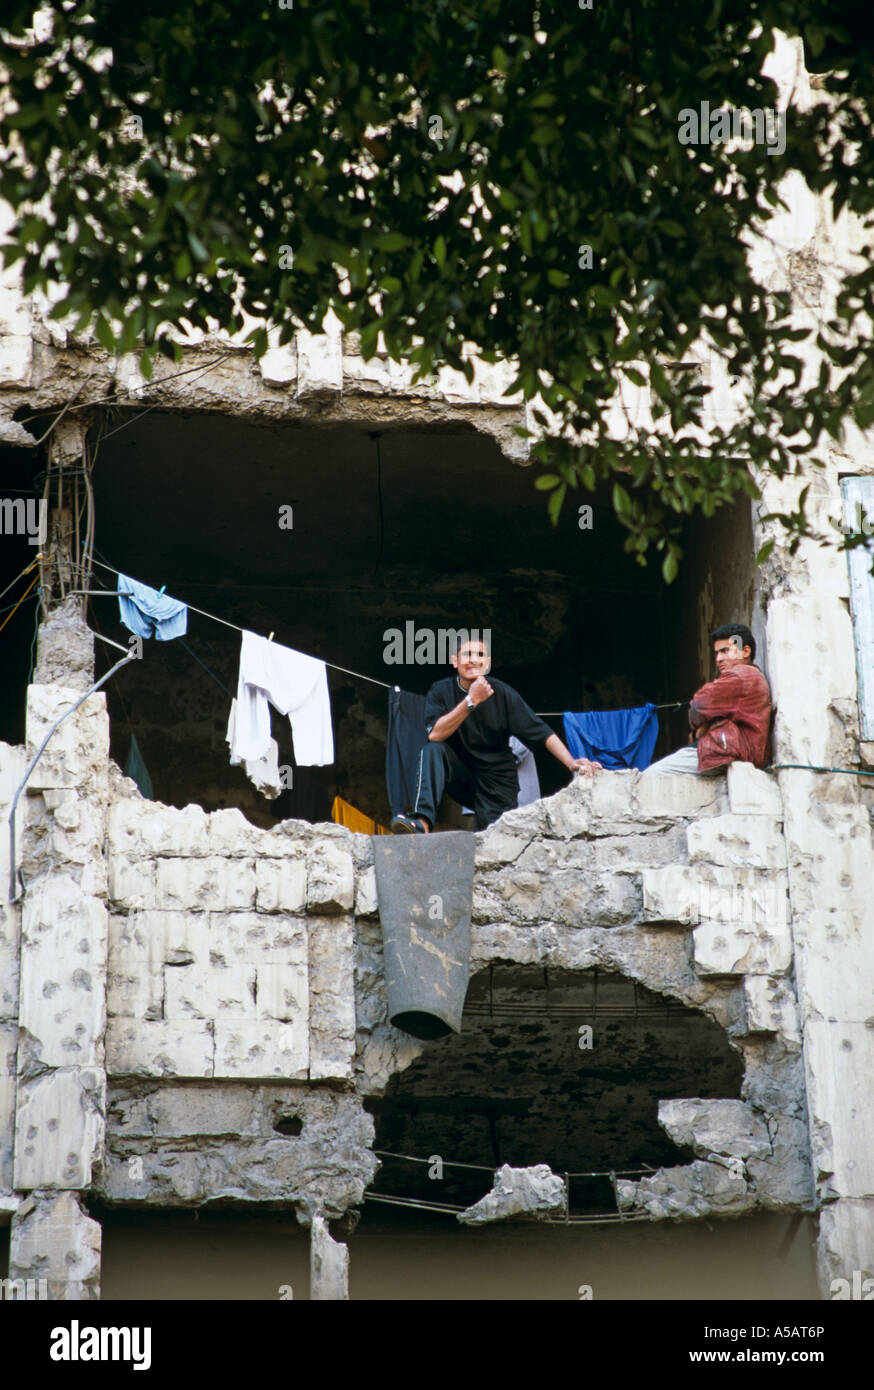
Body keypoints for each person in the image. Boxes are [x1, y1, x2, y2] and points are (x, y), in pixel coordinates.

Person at [391, 637, 601, 832]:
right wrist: (470, 702)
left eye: (480, 655)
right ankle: (423, 822)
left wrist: (572, 762)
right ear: (455, 661)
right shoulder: (440, 691)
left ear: (487, 663)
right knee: (433, 750)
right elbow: (435, 735)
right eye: (467, 654)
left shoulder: (503, 694)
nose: (473, 660)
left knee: (492, 841)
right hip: (462, 775)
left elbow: (541, 732)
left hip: (497, 781)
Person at [645, 622, 772, 775]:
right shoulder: (749, 677)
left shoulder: (741, 675)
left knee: (651, 776)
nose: (718, 659)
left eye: (725, 651)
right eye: (717, 653)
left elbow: (699, 705)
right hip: (731, 752)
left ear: (745, 651)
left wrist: (703, 727)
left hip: (727, 753)